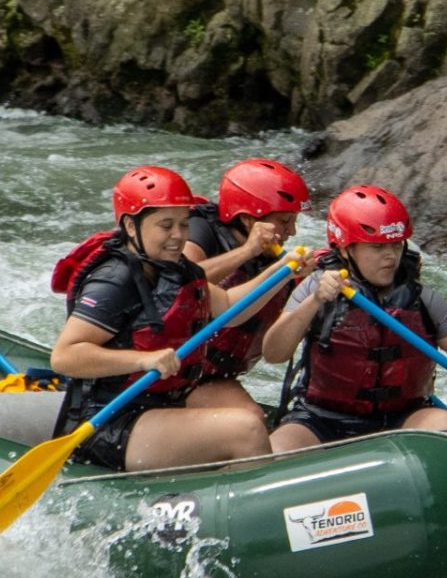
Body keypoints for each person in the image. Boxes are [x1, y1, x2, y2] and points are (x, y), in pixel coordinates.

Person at [47, 164, 302, 471]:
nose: (178, 236)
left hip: (161, 407)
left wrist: (282, 270)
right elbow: (65, 357)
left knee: (247, 423)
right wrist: (142, 360)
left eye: (183, 225)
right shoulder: (114, 280)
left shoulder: (179, 271)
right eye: (166, 226)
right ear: (130, 226)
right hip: (108, 422)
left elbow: (231, 308)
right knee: (245, 429)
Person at [264, 183, 447, 451]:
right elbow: (274, 353)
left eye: (396, 245)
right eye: (376, 247)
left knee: (445, 423)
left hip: (401, 419)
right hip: (322, 419)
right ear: (345, 248)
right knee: (278, 448)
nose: (390, 256)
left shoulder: (421, 300)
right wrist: (314, 301)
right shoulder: (317, 287)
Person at [179, 157, 310, 418]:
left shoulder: (273, 257)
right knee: (252, 422)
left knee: (256, 422)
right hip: (170, 373)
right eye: (285, 221)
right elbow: (180, 281)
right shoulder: (199, 230)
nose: (292, 231)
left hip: (212, 377)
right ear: (250, 220)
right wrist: (248, 251)